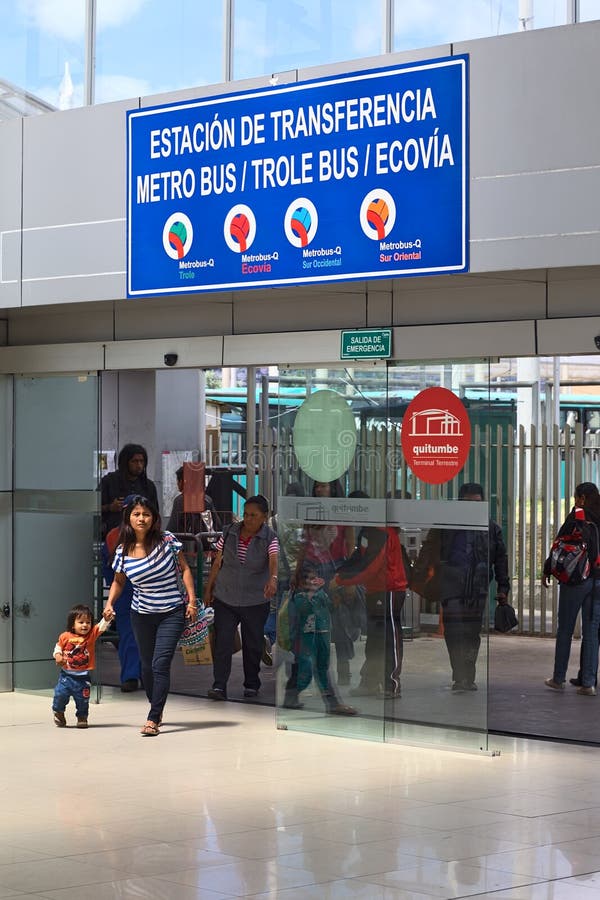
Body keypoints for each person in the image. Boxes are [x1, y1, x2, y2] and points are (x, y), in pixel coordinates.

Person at [103, 495, 198, 735]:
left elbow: (185, 569)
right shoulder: (123, 550)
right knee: (146, 667)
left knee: (160, 663)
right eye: (136, 514)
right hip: (141, 613)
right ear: (128, 518)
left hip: (171, 611)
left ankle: (153, 718)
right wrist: (109, 603)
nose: (141, 519)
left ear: (154, 518)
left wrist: (191, 600)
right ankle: (156, 704)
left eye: (146, 514)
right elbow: (118, 581)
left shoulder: (167, 541)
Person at [412, 482, 510, 692]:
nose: (472, 507)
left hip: (477, 587)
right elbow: (428, 549)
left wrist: (503, 588)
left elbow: (501, 559)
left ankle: (468, 676)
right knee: (454, 631)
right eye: (468, 503)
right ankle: (460, 676)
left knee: (471, 633)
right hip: (451, 584)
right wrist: (418, 576)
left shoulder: (491, 528)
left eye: (476, 503)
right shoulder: (446, 525)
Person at [332, 491, 408, 698]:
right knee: (374, 639)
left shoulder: (379, 530)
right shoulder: (369, 530)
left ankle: (391, 684)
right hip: (376, 589)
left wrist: (341, 579)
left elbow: (370, 566)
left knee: (389, 638)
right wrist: (340, 573)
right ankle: (370, 682)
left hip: (389, 589)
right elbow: (360, 557)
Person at [203, 495, 278, 701]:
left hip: (255, 600)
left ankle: (252, 684)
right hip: (226, 596)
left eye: (254, 515)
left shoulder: (270, 538)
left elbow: (273, 560)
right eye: (246, 514)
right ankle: (219, 685)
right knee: (223, 641)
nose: (248, 519)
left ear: (264, 517)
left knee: (252, 644)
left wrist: (273, 579)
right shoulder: (229, 532)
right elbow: (217, 562)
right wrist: (209, 588)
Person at [295, 480, 357, 684]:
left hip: (337, 567)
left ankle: (343, 669)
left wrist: (349, 578)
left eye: (324, 486)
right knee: (311, 620)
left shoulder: (343, 512)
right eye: (317, 486)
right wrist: (298, 571)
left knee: (339, 620)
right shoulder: (311, 511)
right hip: (312, 568)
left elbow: (350, 545)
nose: (320, 489)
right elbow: (304, 543)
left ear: (333, 489)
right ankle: (313, 671)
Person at [543, 482, 600, 695]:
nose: (576, 501)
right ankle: (588, 684)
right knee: (592, 632)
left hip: (576, 580)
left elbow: (559, 545)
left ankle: (558, 679)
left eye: (576, 497)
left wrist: (547, 569)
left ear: (582, 498)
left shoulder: (578, 515)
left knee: (565, 629)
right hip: (598, 581)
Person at [283, 564, 356, 715]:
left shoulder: (321, 594)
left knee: (322, 668)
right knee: (305, 671)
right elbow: (304, 608)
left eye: (314, 578)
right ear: (301, 582)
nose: (313, 581)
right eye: (309, 579)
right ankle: (292, 696)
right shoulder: (298, 597)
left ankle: (330, 703)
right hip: (306, 638)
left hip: (322, 635)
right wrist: (312, 593)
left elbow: (330, 606)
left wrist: (333, 598)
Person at [52, 604, 114, 728]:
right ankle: (58, 712)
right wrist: (58, 656)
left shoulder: (91, 635)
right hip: (66, 676)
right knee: (60, 695)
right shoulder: (65, 636)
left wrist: (107, 619)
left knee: (82, 700)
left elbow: (101, 627)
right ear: (72, 624)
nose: (85, 625)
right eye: (81, 622)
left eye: (88, 622)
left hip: (83, 678)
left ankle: (82, 717)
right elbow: (57, 648)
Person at [101, 518, 141, 692]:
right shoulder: (115, 536)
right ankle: (136, 675)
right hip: (129, 592)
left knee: (130, 636)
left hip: (126, 592)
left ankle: (134, 675)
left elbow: (108, 569)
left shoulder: (114, 535)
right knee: (133, 636)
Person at [100, 444, 159, 537]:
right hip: (115, 536)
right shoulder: (109, 481)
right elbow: (93, 508)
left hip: (142, 537)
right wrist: (110, 507)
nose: (139, 465)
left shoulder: (148, 486)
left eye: (141, 461)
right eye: (134, 461)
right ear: (125, 462)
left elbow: (155, 514)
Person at [166, 465, 222, 549]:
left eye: (178, 481)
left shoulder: (180, 500)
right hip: (207, 545)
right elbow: (218, 524)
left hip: (187, 546)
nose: (177, 484)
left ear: (183, 481)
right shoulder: (207, 499)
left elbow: (172, 527)